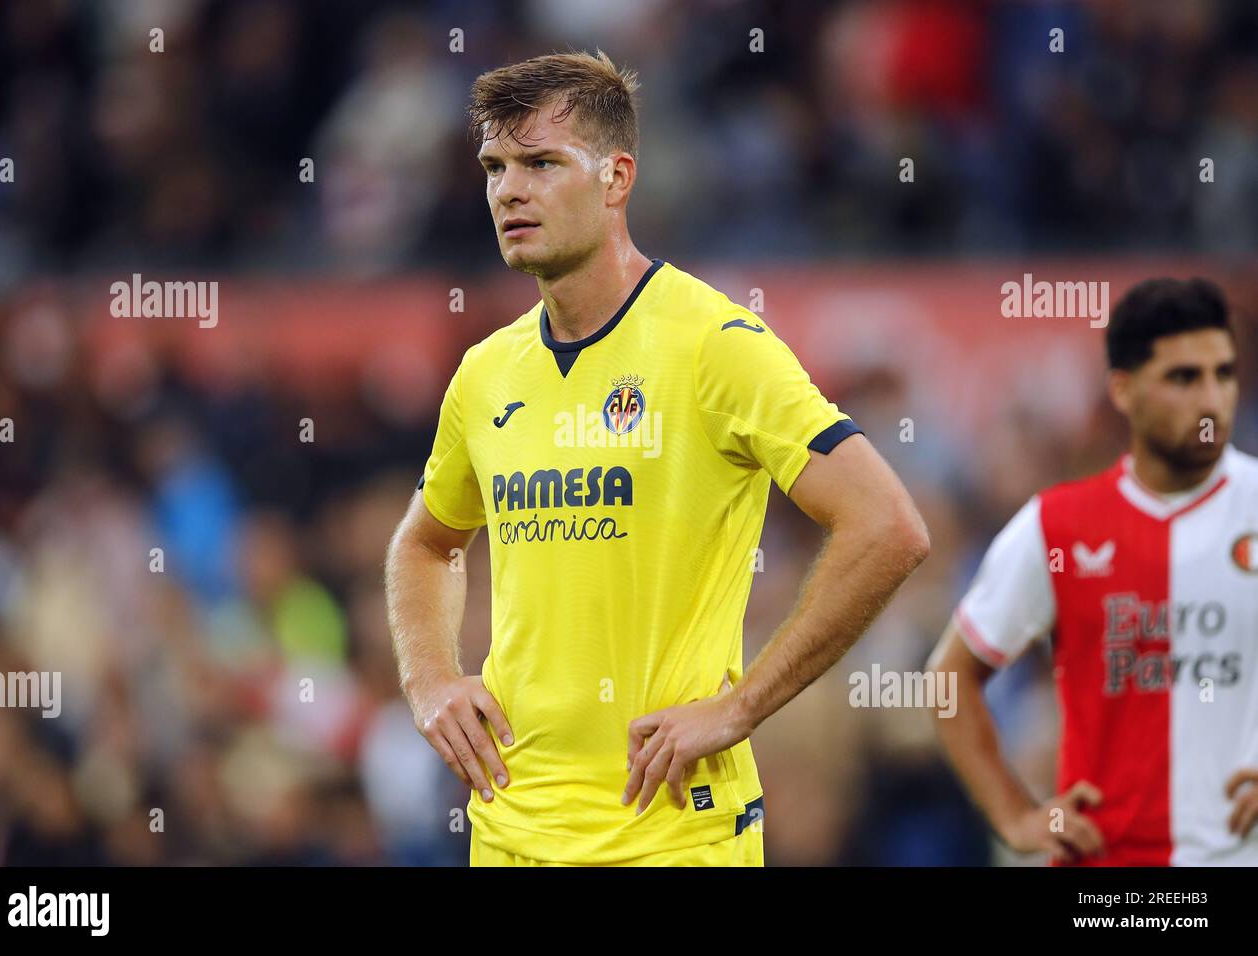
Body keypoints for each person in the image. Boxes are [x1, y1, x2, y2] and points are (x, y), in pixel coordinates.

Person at [386, 50, 929, 867]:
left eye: (541, 163)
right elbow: (426, 541)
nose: (508, 190)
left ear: (616, 178)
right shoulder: (486, 372)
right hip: (508, 828)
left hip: (672, 832)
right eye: (495, 167)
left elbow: (887, 527)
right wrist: (430, 679)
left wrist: (741, 707)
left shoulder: (715, 345)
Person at [930, 277, 1258, 866]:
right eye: (1184, 378)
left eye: (1224, 374)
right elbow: (950, 679)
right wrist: (1016, 815)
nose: (1212, 399)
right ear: (1124, 390)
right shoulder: (1057, 526)